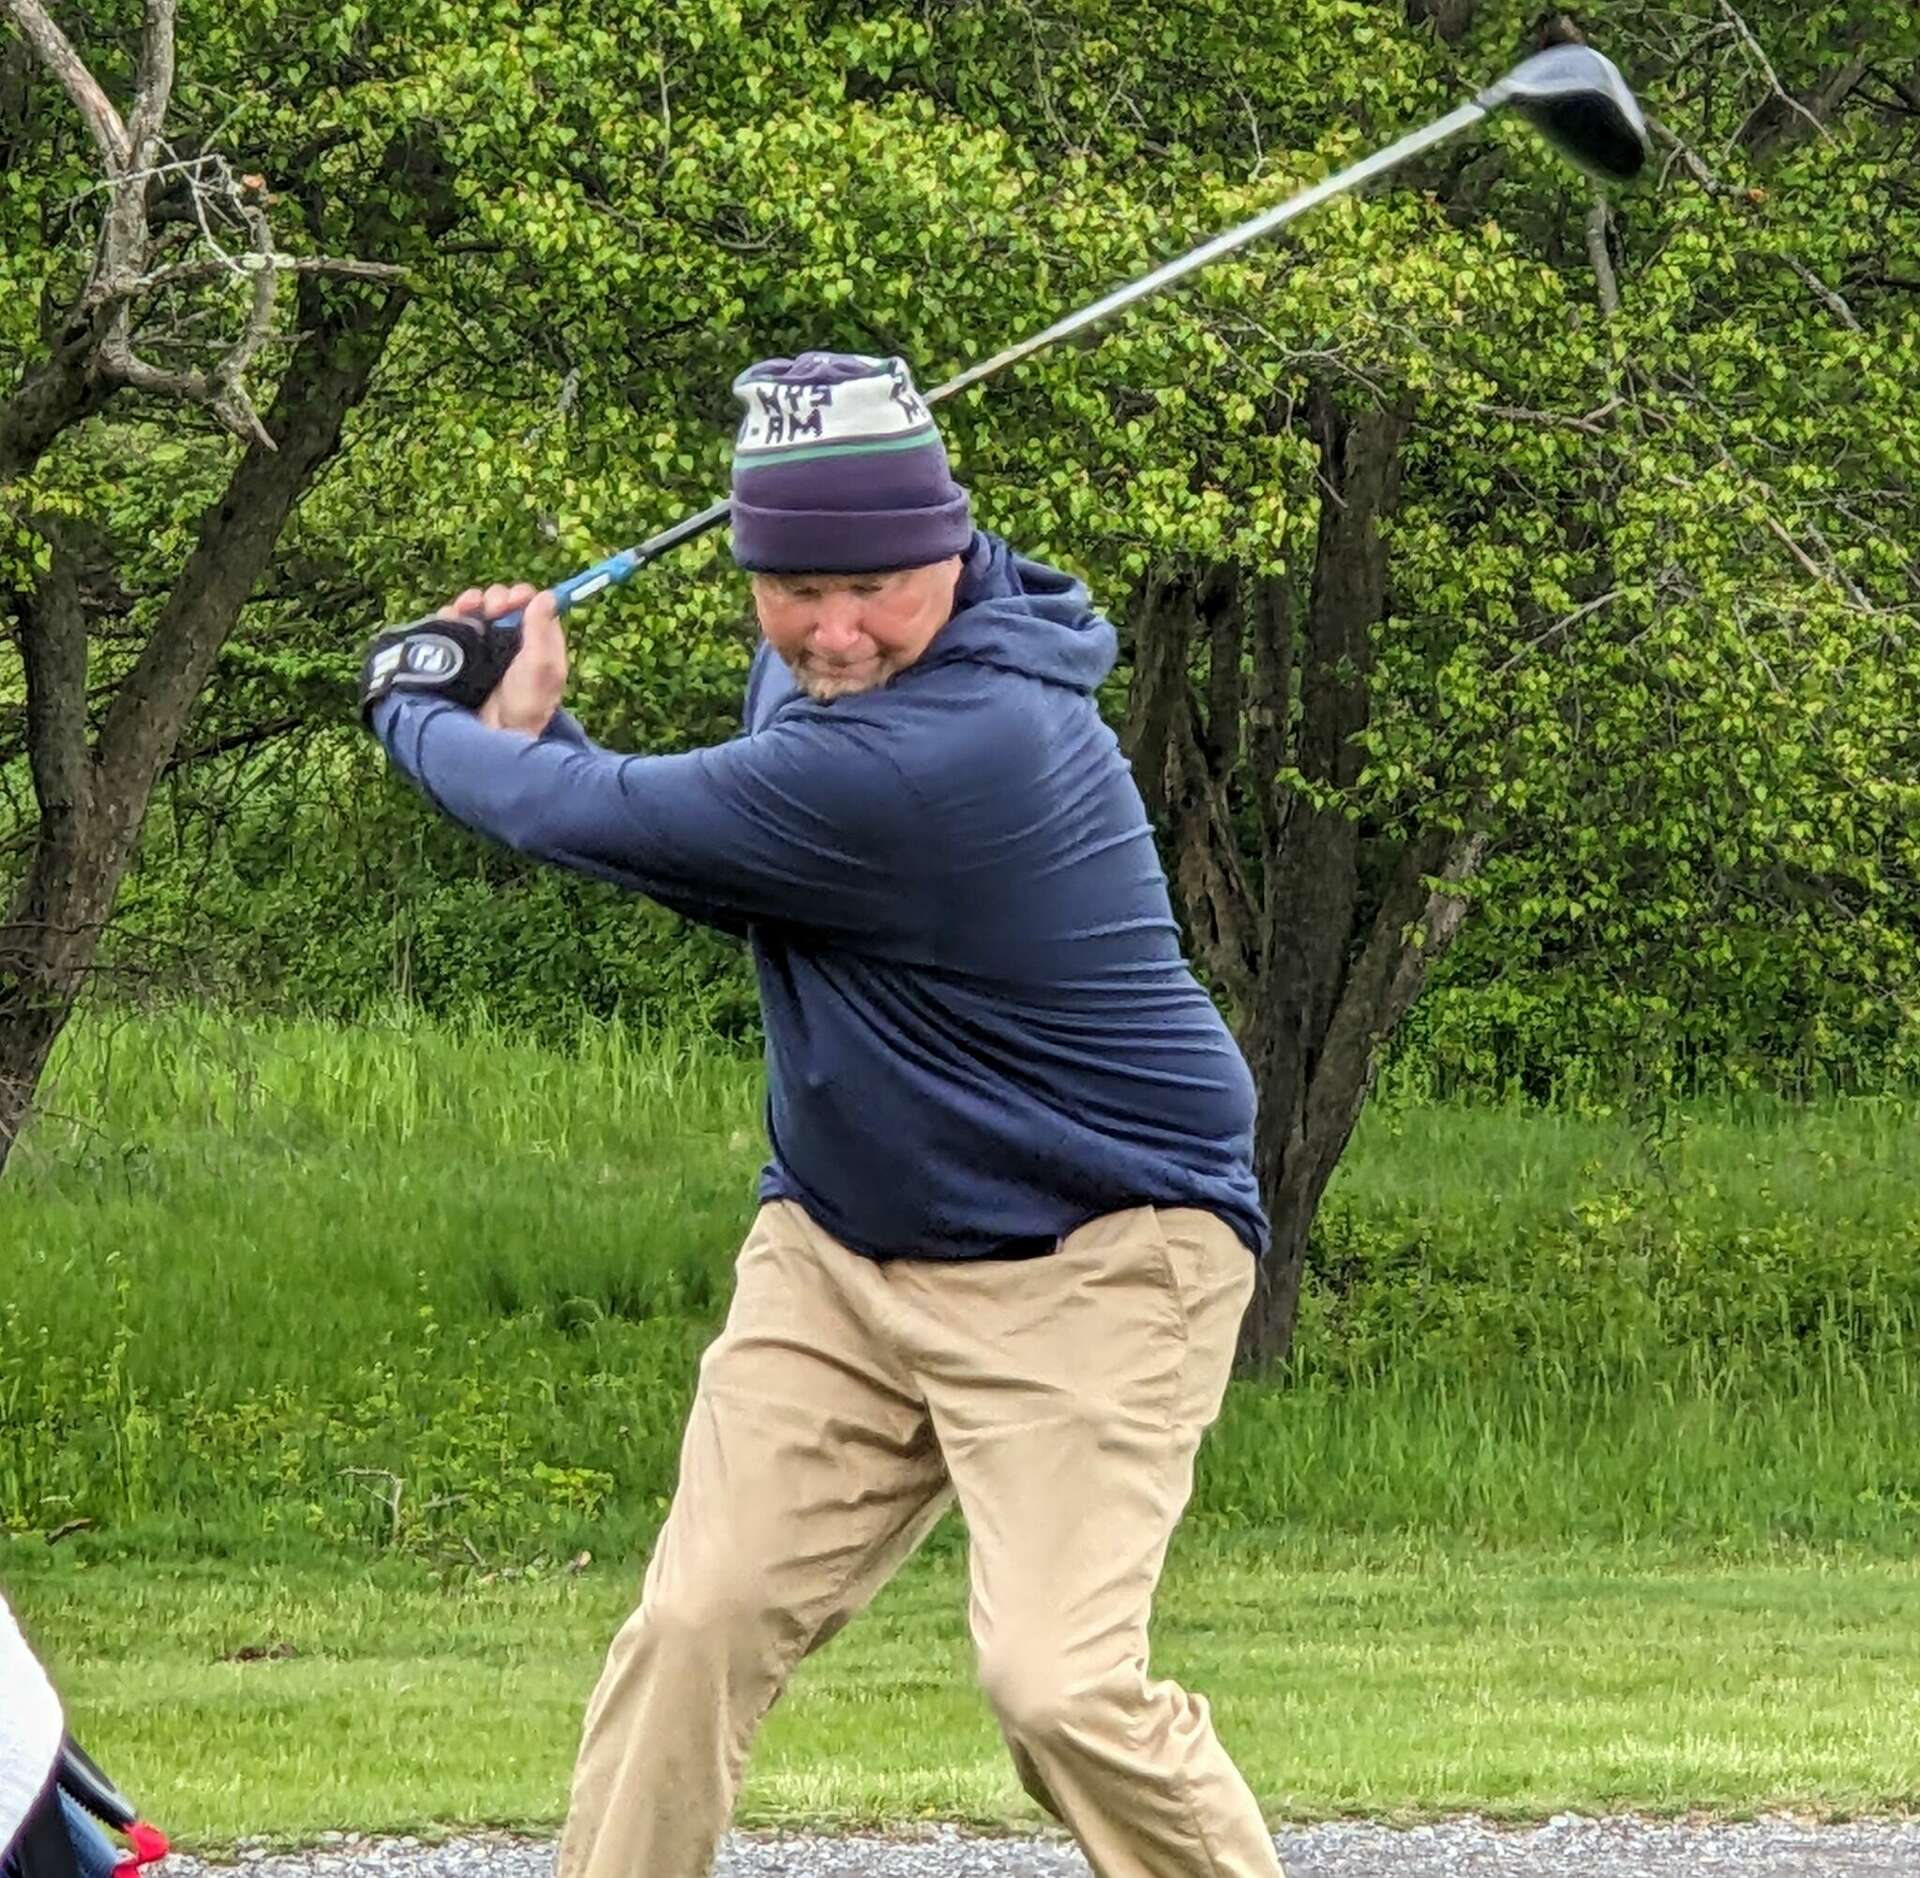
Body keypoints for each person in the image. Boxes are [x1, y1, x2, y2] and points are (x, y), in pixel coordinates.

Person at [360, 351, 1282, 1878]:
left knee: (1055, 1686)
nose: (836, 629)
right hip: (844, 1250)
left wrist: (420, 712)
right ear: (750, 570)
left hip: (1103, 1257)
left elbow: (615, 822)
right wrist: (530, 732)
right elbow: (717, 849)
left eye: (877, 584)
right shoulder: (842, 686)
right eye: (797, 588)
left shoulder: (972, 744)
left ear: (955, 547)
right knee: (691, 1627)